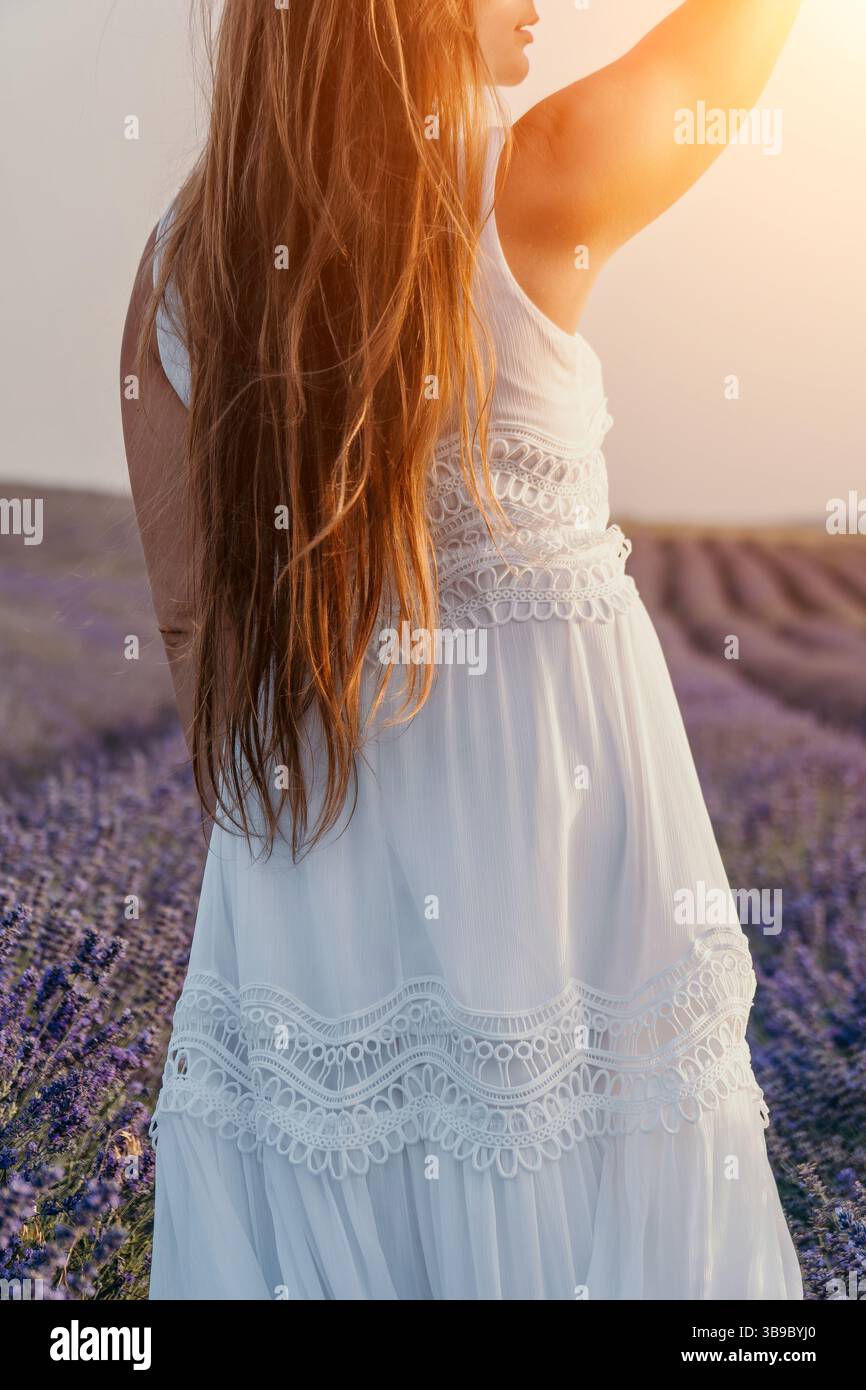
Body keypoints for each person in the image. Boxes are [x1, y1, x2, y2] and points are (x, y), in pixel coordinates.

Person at [120, 0, 803, 1300]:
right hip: (548, 930)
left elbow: (199, 657)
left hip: (304, 937)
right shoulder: (533, 180)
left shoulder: (174, 269)